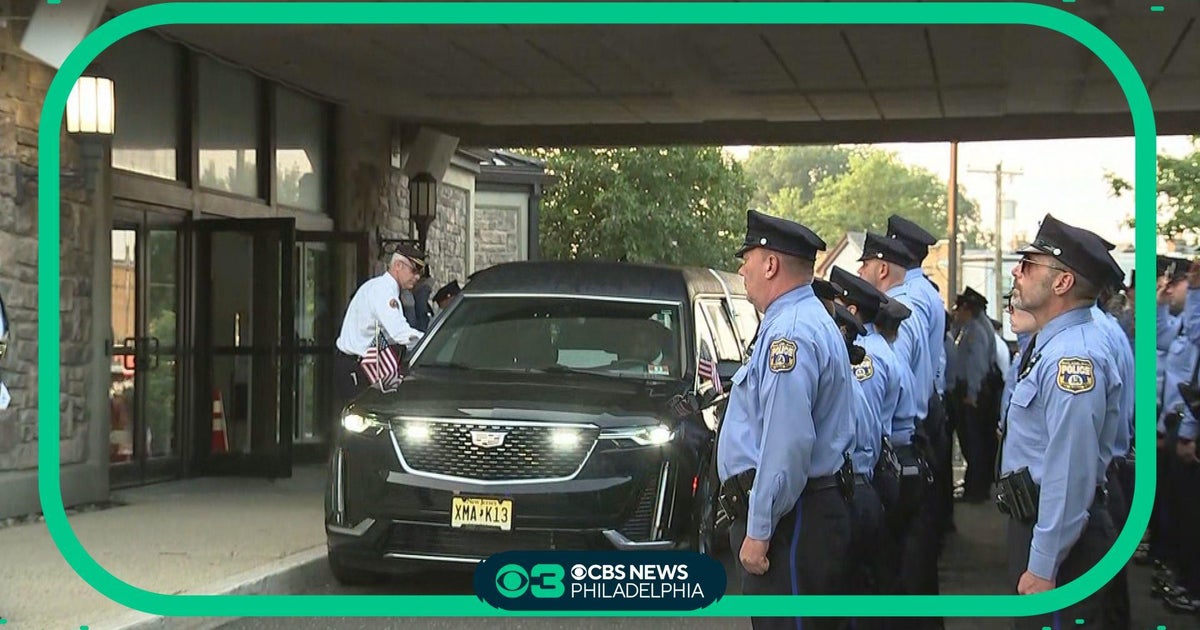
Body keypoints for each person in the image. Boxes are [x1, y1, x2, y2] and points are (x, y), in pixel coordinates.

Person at [716, 210, 856, 630]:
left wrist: (758, 531)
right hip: (803, 512)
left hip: (793, 521)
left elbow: (786, 443)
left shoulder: (790, 333)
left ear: (771, 263)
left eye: (748, 259)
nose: (742, 270)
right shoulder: (799, 320)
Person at [999, 213, 1123, 629]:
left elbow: (1069, 472)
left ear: (1062, 282)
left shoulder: (1074, 359)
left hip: (1061, 534)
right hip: (1042, 521)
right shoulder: (1052, 344)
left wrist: (1044, 563)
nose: (1017, 271)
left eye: (1030, 264)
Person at [333, 243, 428, 409]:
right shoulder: (384, 292)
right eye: (414, 270)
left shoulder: (379, 288)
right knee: (361, 423)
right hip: (357, 367)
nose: (417, 276)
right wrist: (431, 343)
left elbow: (389, 336)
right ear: (398, 266)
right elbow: (400, 334)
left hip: (359, 364)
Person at [949, 287, 997, 503]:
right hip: (973, 390)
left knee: (973, 442)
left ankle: (976, 490)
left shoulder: (975, 331)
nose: (956, 313)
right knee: (975, 442)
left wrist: (971, 394)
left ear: (968, 309)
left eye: (960, 309)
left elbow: (976, 366)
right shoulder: (974, 327)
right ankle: (974, 487)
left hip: (973, 392)